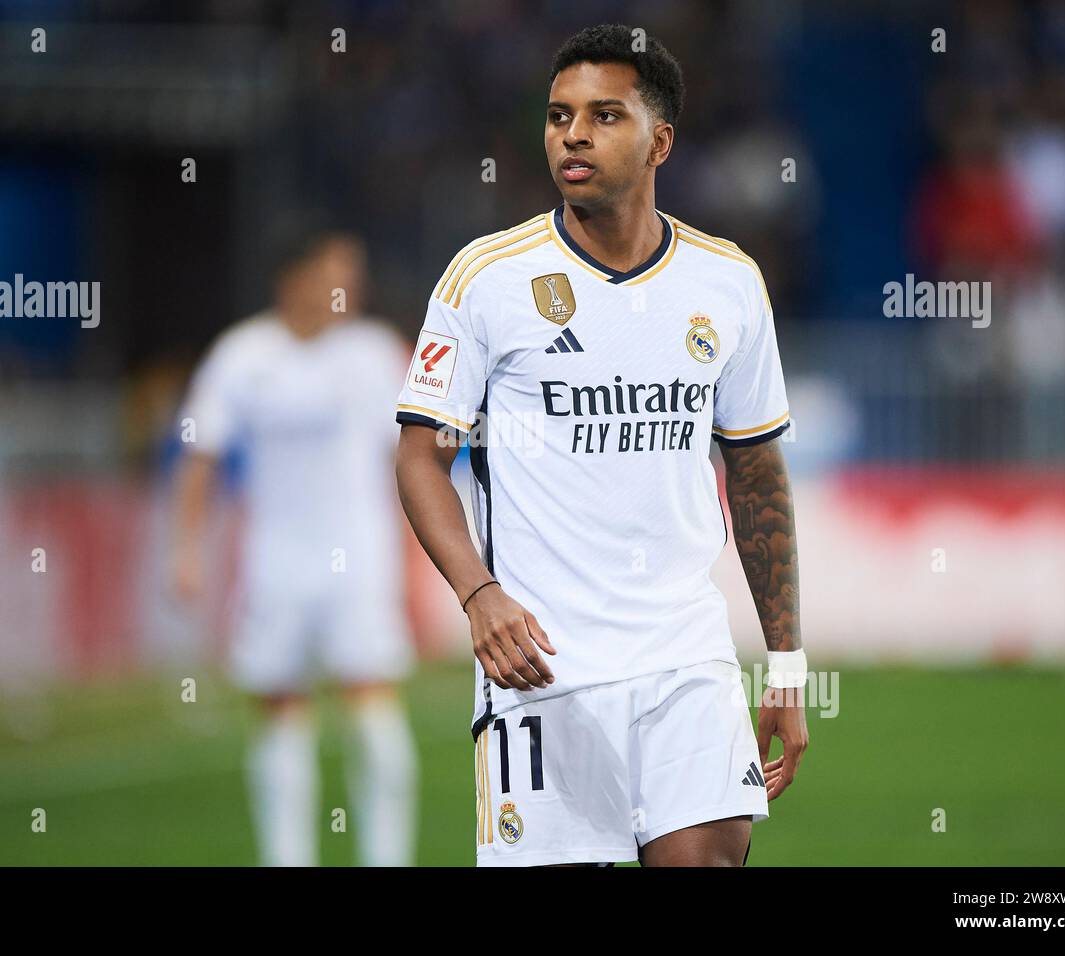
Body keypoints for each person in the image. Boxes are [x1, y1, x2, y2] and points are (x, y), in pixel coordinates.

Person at [394, 24, 807, 867]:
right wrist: (478, 596)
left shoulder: (726, 282)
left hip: (688, 663)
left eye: (604, 115)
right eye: (557, 115)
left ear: (660, 141)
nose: (572, 133)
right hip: (542, 672)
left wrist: (788, 667)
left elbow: (758, 471)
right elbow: (419, 457)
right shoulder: (486, 278)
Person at [174, 230, 417, 866]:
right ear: (296, 277)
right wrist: (187, 549)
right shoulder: (243, 355)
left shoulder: (373, 354)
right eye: (338, 272)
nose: (351, 288)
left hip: (359, 559)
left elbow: (415, 458)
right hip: (276, 561)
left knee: (373, 709)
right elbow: (200, 455)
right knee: (280, 707)